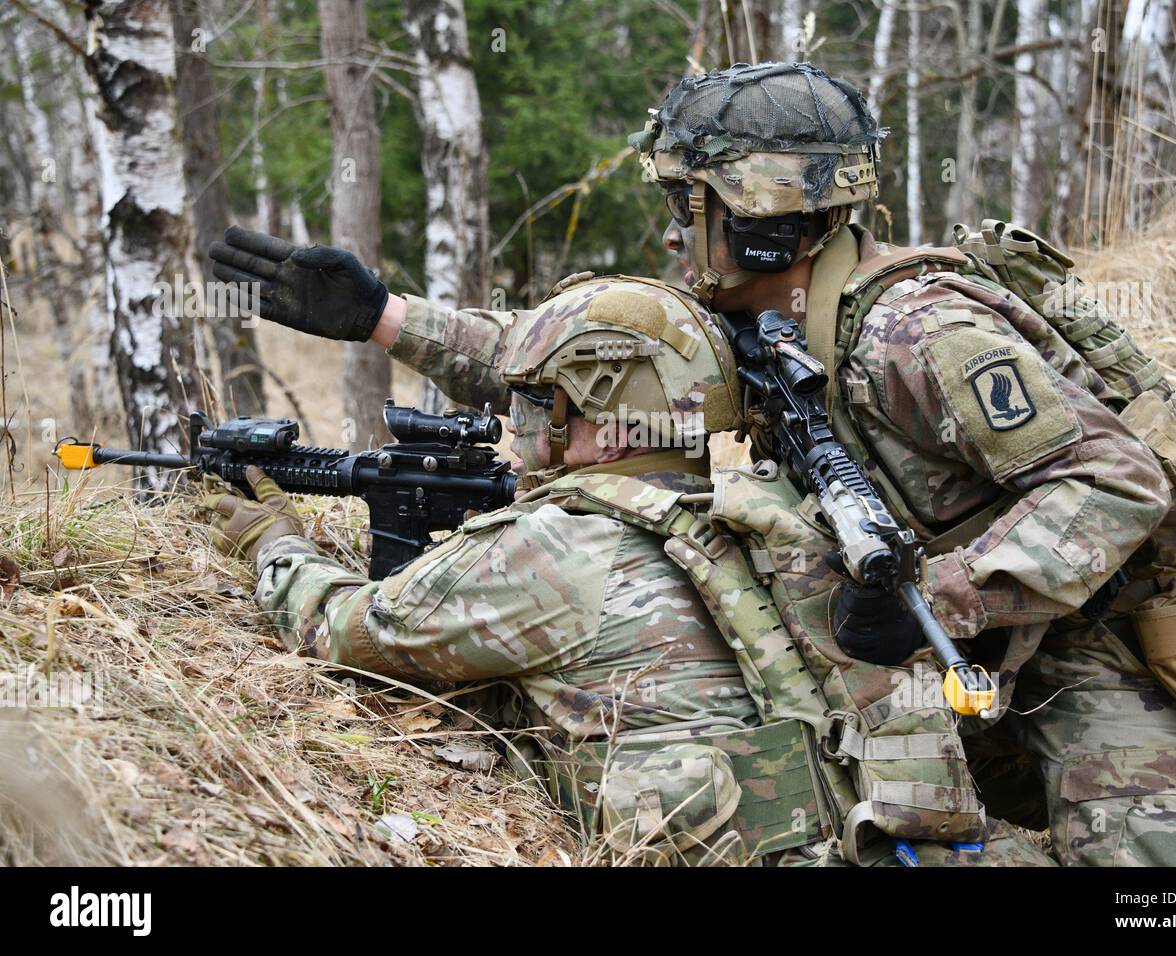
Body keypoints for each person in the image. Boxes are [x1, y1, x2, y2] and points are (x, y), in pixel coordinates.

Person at [206, 63, 1176, 866]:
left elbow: (1116, 480)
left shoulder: (915, 330)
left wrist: (941, 593)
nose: (677, 237)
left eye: (689, 208)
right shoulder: (768, 316)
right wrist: (386, 318)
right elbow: (593, 370)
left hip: (1085, 635)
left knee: (1165, 869)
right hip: (937, 644)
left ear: (761, 223)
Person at [200, 272, 1054, 866]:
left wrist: (270, 537)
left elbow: (340, 629)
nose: (521, 423)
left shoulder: (554, 547)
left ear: (601, 419)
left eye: (538, 401)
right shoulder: (788, 515)